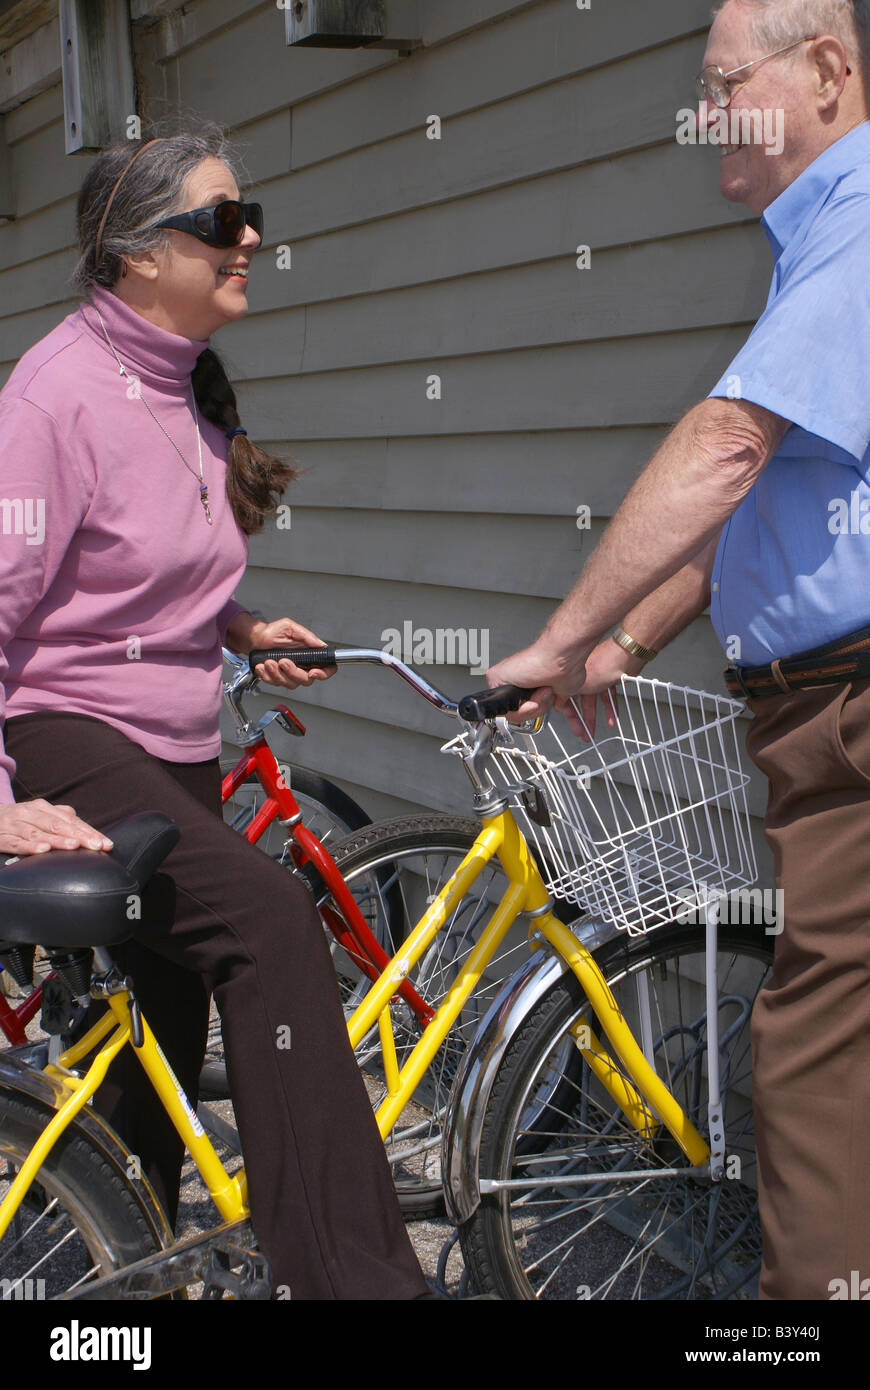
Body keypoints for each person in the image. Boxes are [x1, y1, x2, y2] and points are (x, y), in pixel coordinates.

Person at [0, 119, 429, 1299]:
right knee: (274, 932)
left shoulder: (185, 388)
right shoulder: (54, 398)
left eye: (253, 217)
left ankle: (116, 1288)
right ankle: (354, 1283)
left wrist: (240, 627)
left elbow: (135, 570)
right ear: (138, 254)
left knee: (163, 1034)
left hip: (169, 746)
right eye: (218, 221)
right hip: (70, 738)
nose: (248, 240)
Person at [487, 0, 870, 1300]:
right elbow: (769, 499)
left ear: (825, 70)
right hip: (816, 714)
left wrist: (561, 636)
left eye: (723, 84)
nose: (704, 114)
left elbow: (725, 450)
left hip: (849, 710)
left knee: (810, 1054)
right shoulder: (815, 243)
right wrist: (633, 634)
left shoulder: (858, 229)